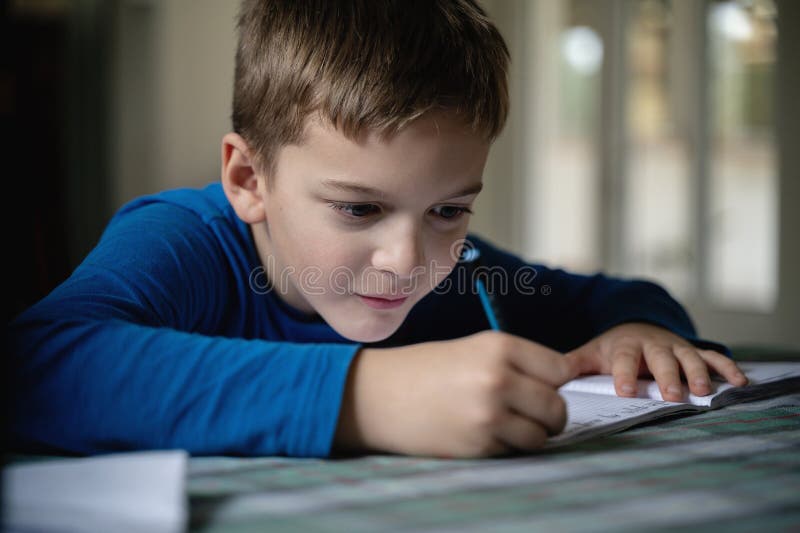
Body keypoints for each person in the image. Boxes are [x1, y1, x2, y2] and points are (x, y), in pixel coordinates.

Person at [6, 0, 746, 459]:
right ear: (247, 180)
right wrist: (371, 397)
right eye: (359, 208)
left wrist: (638, 327)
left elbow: (612, 296)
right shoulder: (187, 244)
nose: (407, 259)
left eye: (448, 209)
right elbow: (36, 365)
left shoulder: (460, 277)